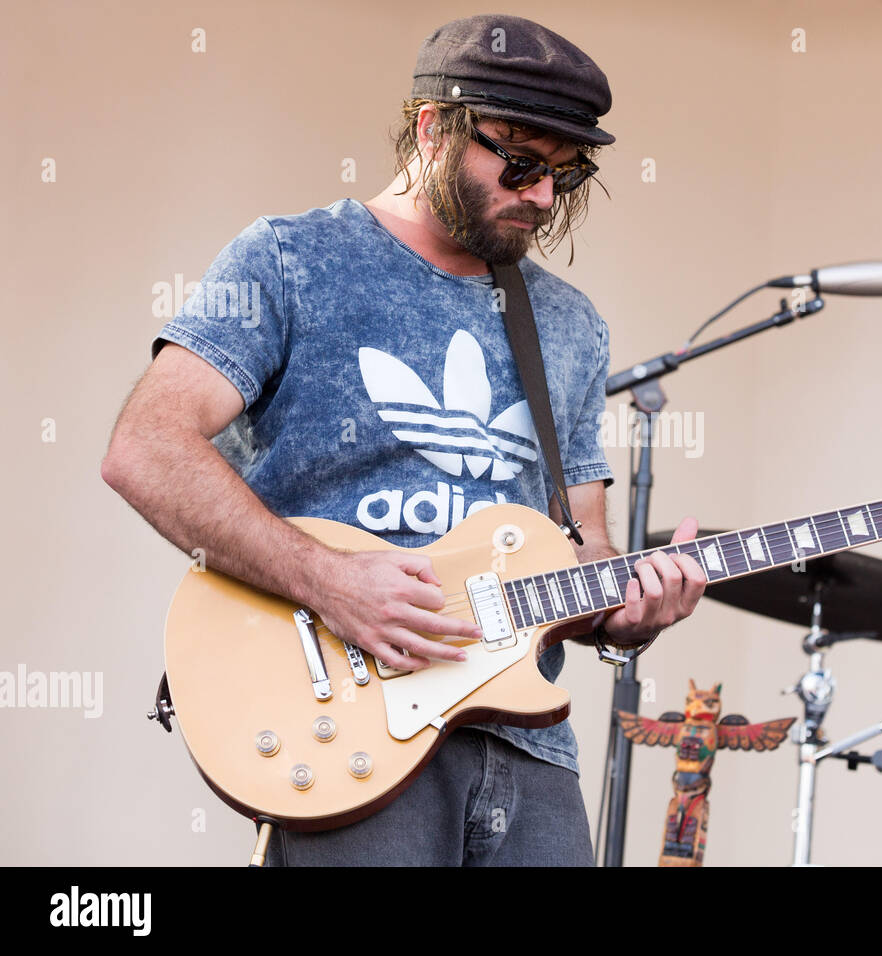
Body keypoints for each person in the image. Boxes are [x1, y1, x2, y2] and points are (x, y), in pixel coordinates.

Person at [100, 15, 706, 866]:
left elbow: (586, 545)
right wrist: (329, 579)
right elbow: (146, 450)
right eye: (522, 163)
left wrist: (628, 614)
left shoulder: (569, 324)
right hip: (346, 741)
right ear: (433, 128)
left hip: (528, 752)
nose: (540, 196)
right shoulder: (292, 259)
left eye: (565, 176)